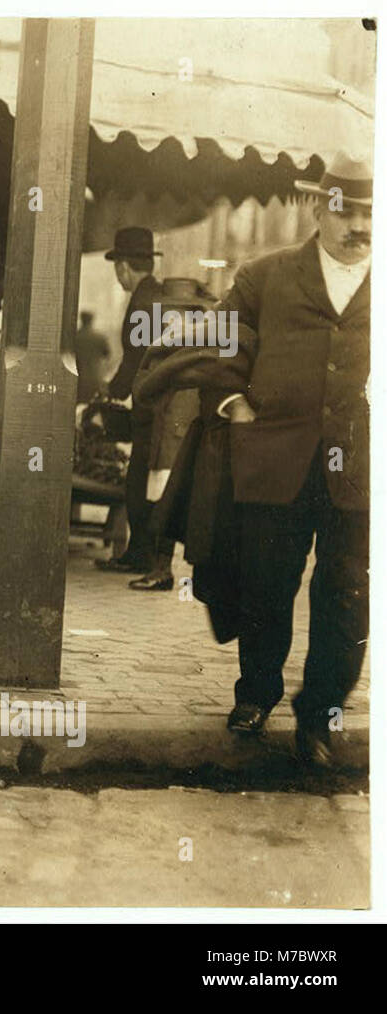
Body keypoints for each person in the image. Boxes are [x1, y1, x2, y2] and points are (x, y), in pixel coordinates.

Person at [216, 151, 370, 768]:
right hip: (276, 459)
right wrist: (237, 406)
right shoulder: (265, 276)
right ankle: (256, 693)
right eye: (346, 210)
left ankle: (322, 716)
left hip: (361, 468)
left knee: (349, 592)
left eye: (371, 213)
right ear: (317, 207)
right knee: (265, 585)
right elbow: (222, 342)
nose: (360, 225)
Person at [127, 279, 212, 591]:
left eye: (173, 313)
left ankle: (162, 570)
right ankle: (160, 567)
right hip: (168, 431)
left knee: (167, 500)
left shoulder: (188, 345)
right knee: (163, 499)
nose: (167, 319)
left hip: (178, 433)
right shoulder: (175, 342)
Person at [95, 226, 164, 574]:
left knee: (139, 478)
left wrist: (112, 392)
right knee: (149, 476)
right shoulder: (158, 295)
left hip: (150, 404)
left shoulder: (142, 302)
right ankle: (145, 553)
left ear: (123, 267)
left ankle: (141, 554)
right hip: (161, 402)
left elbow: (136, 358)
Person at [73, 310, 110, 404]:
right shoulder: (99, 338)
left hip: (77, 379)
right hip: (94, 378)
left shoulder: (74, 337)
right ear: (91, 320)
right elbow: (107, 354)